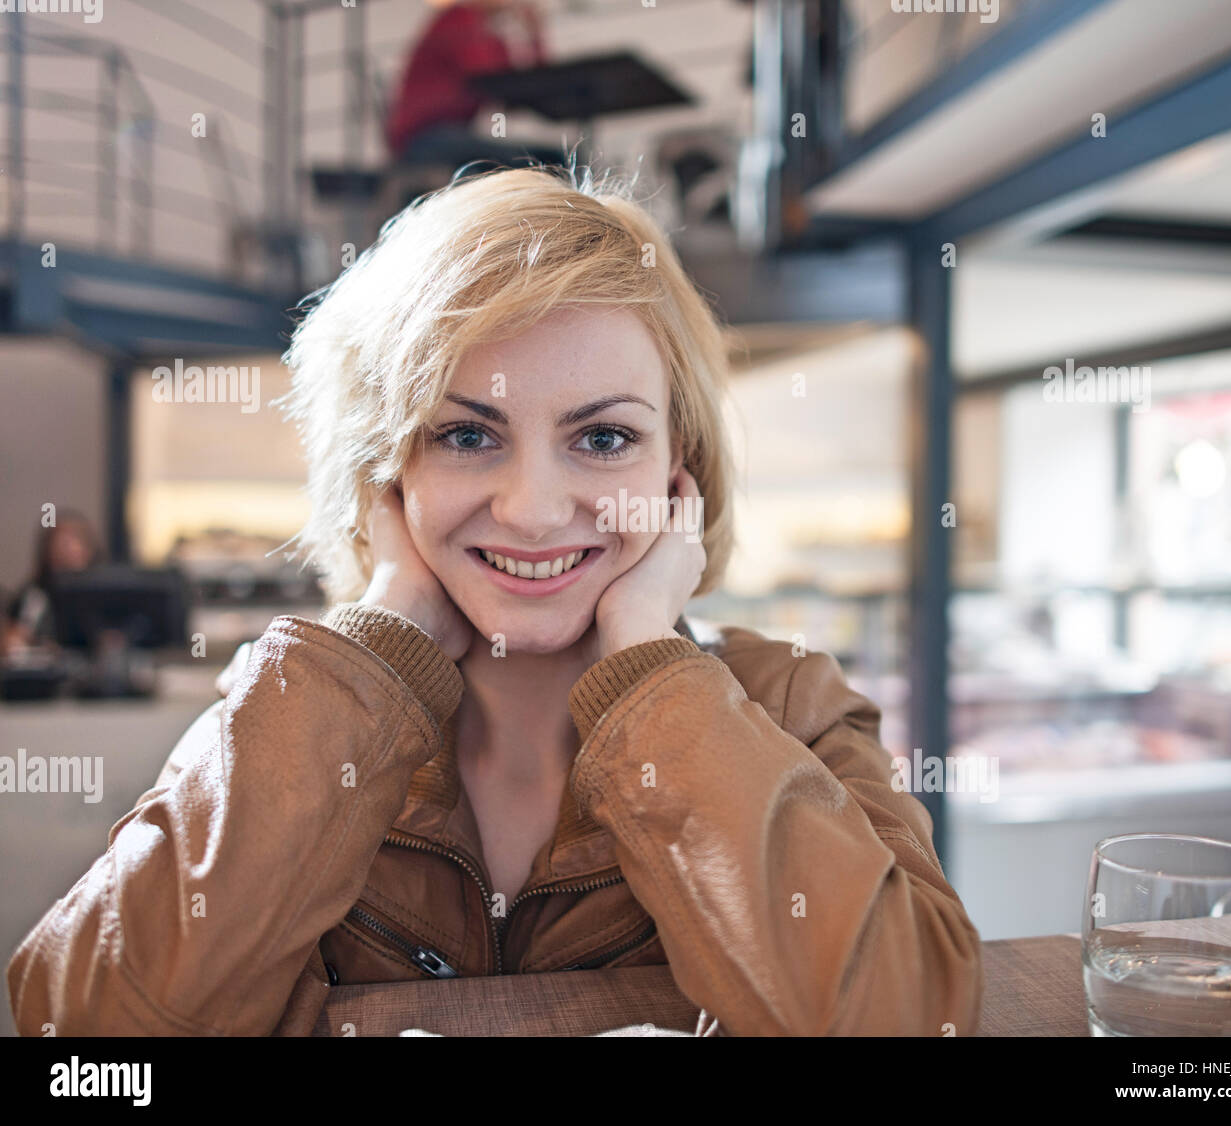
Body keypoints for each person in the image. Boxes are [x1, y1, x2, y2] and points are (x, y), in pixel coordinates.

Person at [6, 165, 983, 1036]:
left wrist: (646, 663)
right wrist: (389, 633)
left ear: (679, 472)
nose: (532, 509)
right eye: (467, 436)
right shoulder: (295, 717)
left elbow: (908, 1016)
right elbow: (84, 1028)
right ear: (385, 474)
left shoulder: (791, 704)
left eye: (601, 439)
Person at [385, 0, 552, 168]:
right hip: (423, 136)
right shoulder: (459, 18)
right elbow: (490, 76)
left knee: (543, 157)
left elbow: (519, 86)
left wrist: (532, 34)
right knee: (529, 161)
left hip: (449, 132)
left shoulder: (488, 34)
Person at [2, 511, 102, 659]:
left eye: (73, 540)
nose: (65, 550)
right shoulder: (35, 595)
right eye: (59, 542)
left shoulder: (102, 594)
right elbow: (15, 640)